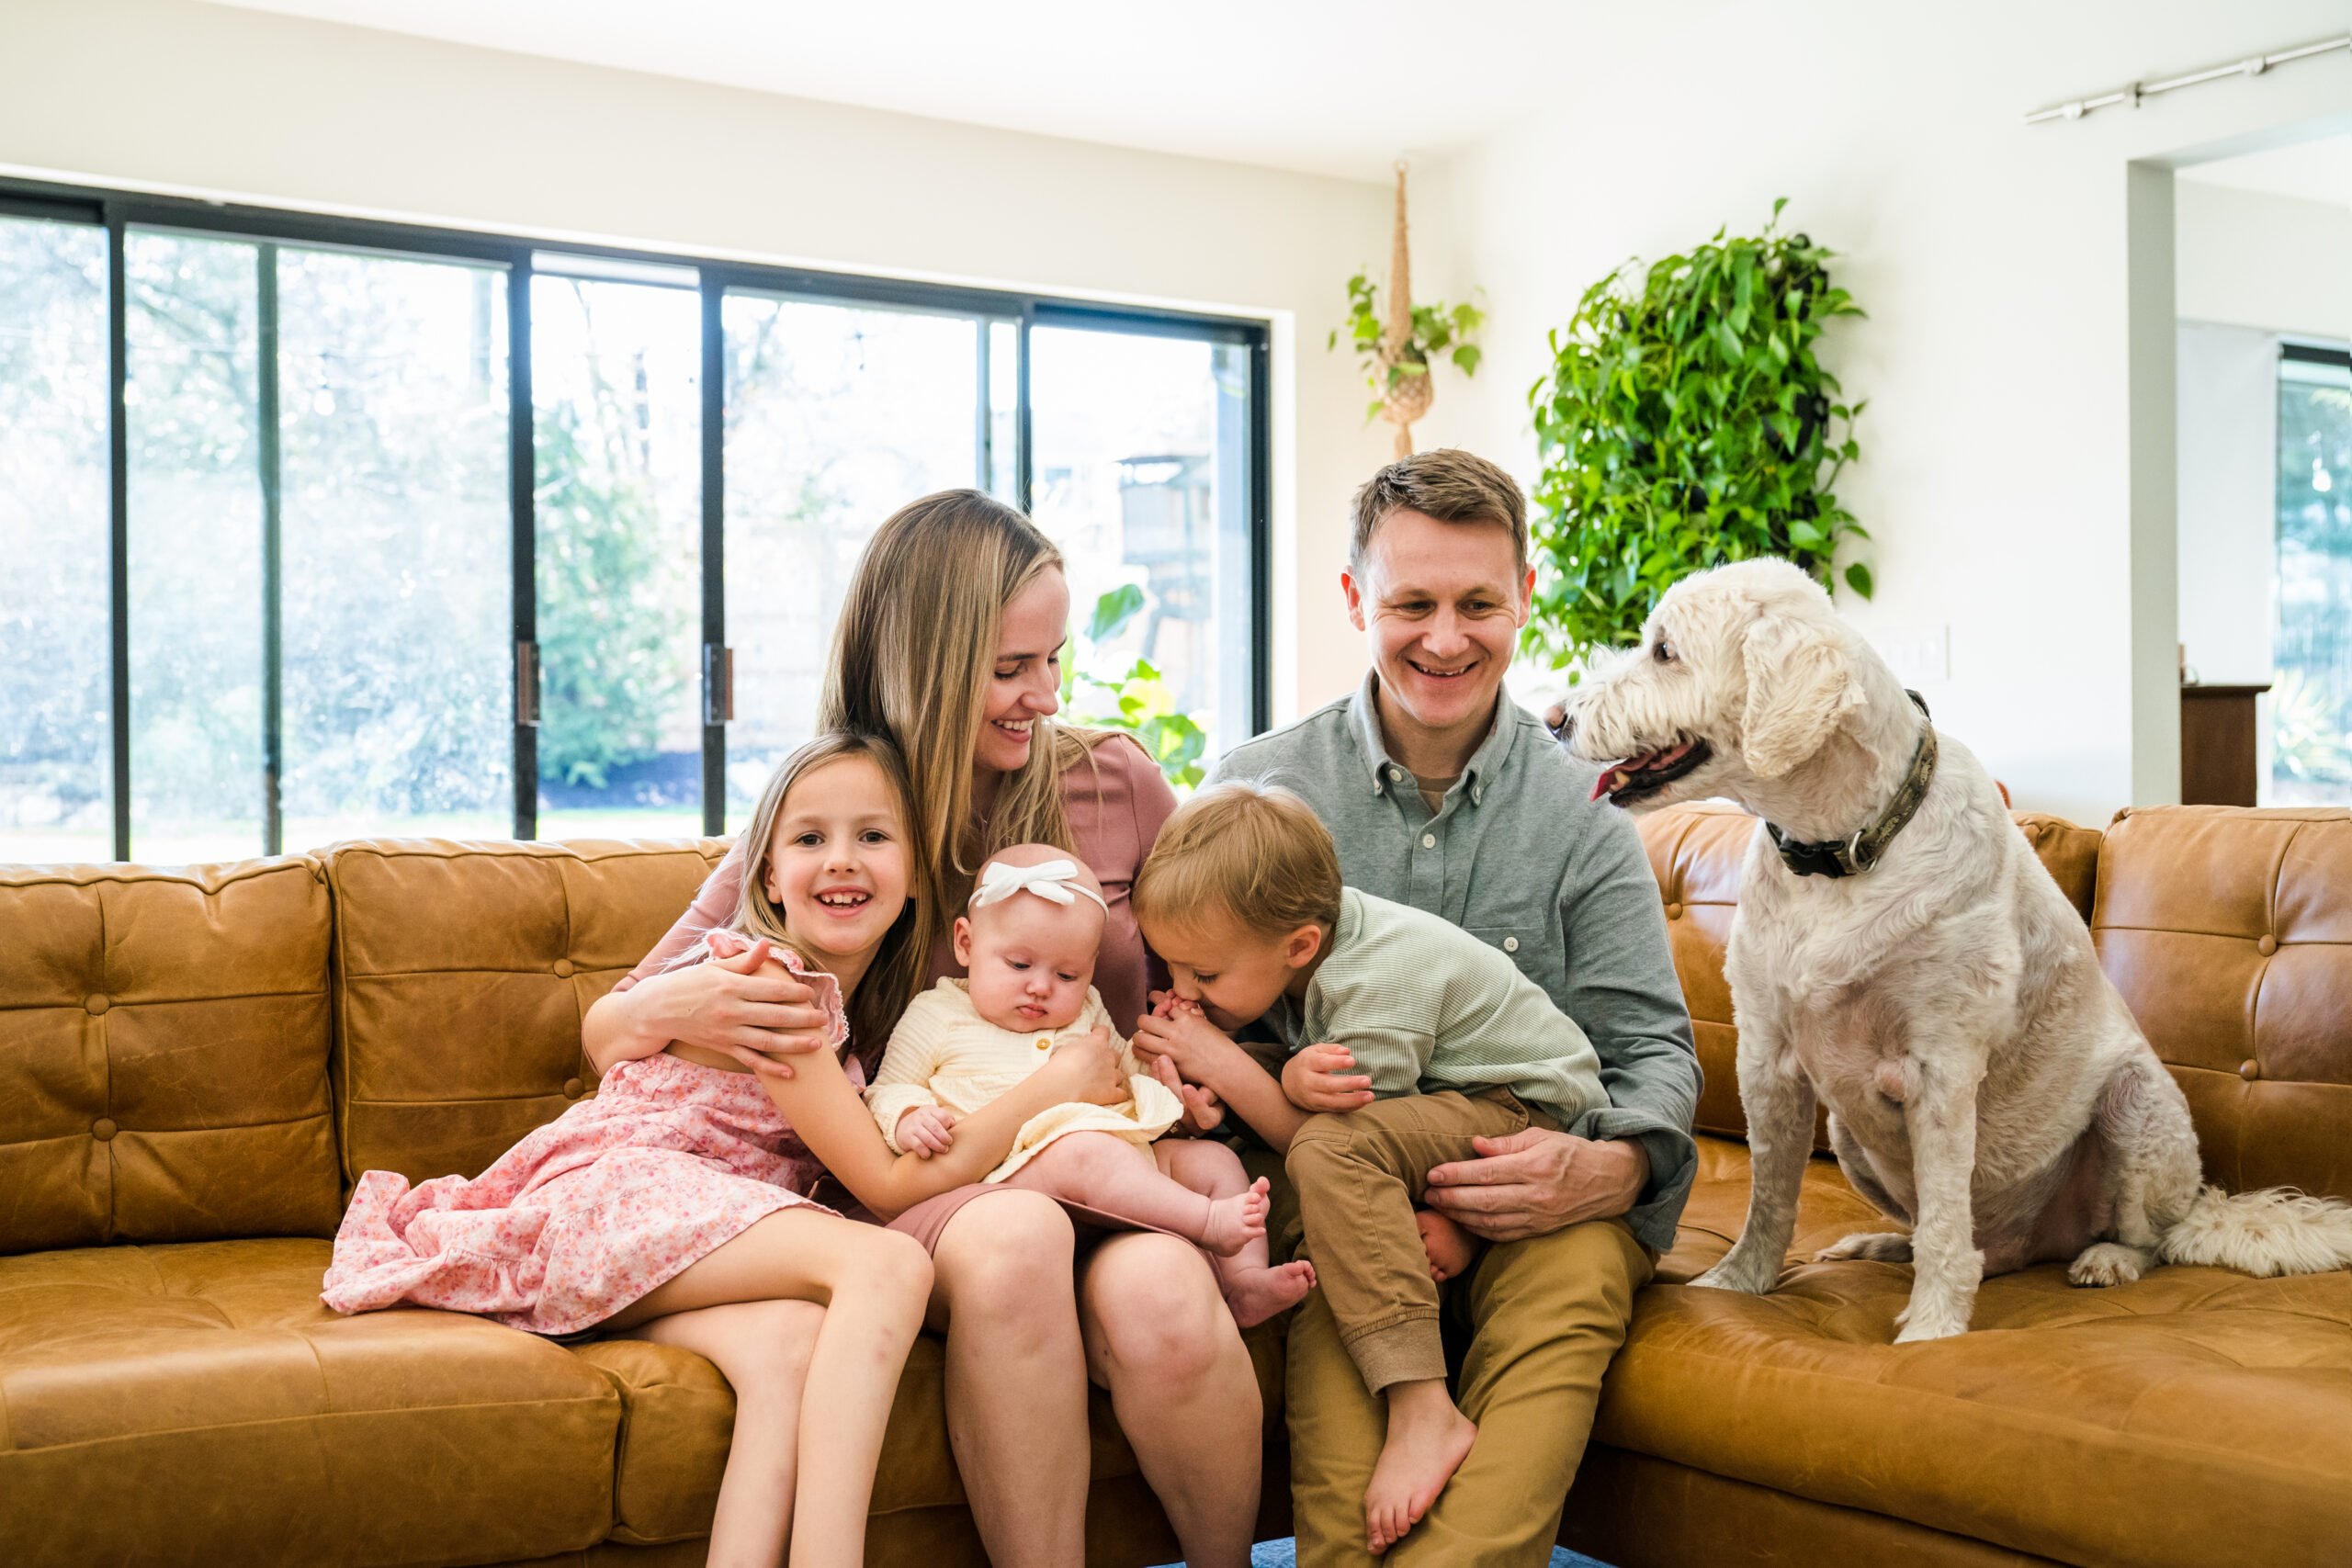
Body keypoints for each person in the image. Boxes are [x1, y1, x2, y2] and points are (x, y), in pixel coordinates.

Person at [582, 491, 1263, 1568]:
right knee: (1015, 1238)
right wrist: (682, 1002)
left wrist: (1204, 1057)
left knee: (1167, 1295)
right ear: (927, 664)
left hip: (1109, 1158)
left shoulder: (1115, 781)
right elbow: (611, 1025)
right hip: (938, 1190)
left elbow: (1232, 963)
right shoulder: (848, 814)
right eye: (1010, 668)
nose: (1044, 695)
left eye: (1054, 661)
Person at [1201, 449, 1702, 1566]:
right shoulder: (1254, 792)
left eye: (1478, 603)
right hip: (1345, 1210)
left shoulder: (1587, 815)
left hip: (1540, 1198)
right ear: (1353, 600)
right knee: (1343, 1478)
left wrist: (1615, 1167)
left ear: (1525, 595)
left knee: (1575, 1282)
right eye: (1410, 604)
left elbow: (1651, 1051)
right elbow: (1202, 1029)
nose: (1444, 638)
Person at [322, 734, 979, 1568]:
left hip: (670, 1233)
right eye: (811, 837)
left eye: (872, 836)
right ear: (768, 877)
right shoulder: (769, 986)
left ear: (916, 873)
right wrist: (1056, 1087)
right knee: (888, 1264)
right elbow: (883, 1182)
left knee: (789, 1348)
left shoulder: (859, 1016)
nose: (841, 859)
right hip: (620, 1197)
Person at [1127, 781, 1610, 1554]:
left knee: (1329, 1150)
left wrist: (1223, 1060)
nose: (1184, 992)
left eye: (1204, 976)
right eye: (1172, 968)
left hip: (1525, 1112)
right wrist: (1228, 1082)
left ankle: (1423, 1406)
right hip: (1445, 1106)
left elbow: (1337, 1149)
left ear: (1299, 947)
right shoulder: (1304, 951)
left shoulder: (1380, 977)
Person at [866, 841, 1315, 1326]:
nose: (1041, 987)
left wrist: (1168, 1069)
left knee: (1214, 1161)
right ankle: (1207, 1224)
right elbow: (889, 1087)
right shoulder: (939, 1013)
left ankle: (1244, 1280)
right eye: (1019, 965)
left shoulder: (1087, 1012)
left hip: (1120, 1167)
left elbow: (1128, 1073)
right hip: (1008, 1179)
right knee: (1085, 1152)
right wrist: (910, 1118)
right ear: (966, 944)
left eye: (1067, 974)